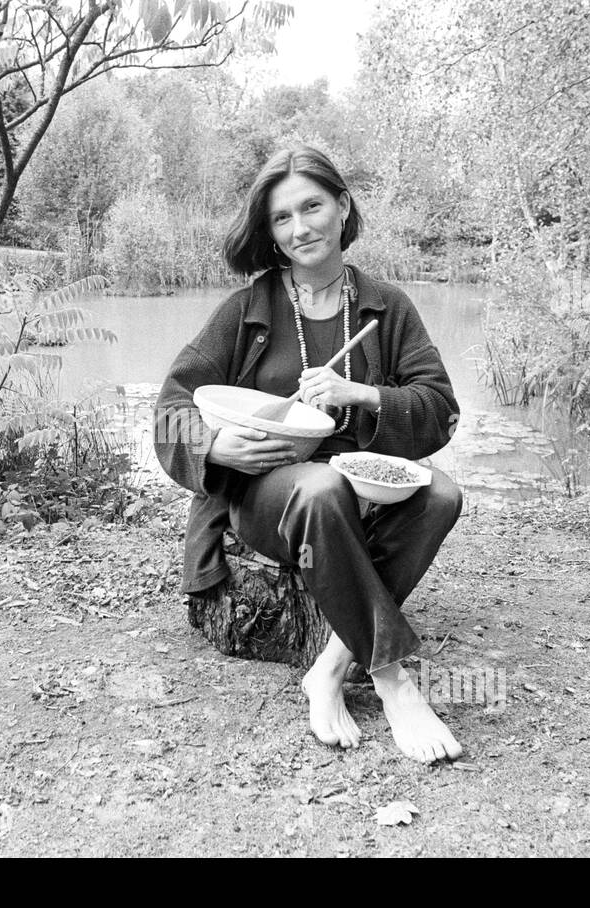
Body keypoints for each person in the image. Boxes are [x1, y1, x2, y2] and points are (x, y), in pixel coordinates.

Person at [152, 145, 465, 763]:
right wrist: (215, 446)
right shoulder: (248, 309)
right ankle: (392, 676)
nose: (300, 228)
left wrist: (366, 394)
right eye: (281, 217)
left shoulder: (387, 305)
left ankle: (329, 665)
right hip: (268, 498)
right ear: (269, 231)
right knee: (322, 488)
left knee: (441, 494)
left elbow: (441, 408)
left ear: (342, 206)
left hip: (360, 495)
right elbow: (170, 405)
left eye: (312, 206)